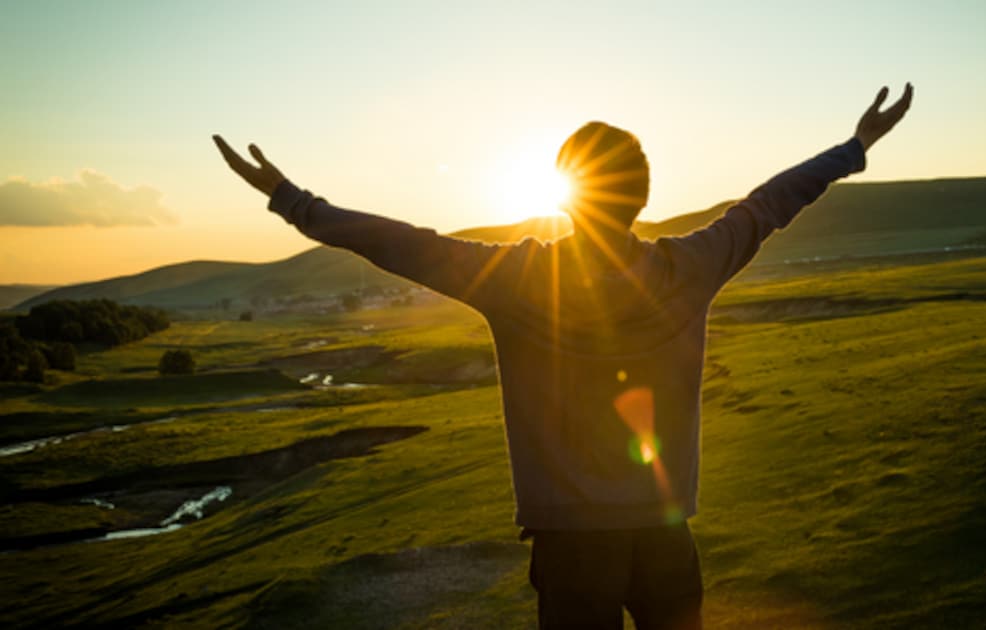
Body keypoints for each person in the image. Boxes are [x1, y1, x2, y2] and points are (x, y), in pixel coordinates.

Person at [214, 83, 912, 629]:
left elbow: (405, 244)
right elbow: (767, 205)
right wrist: (853, 147)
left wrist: (290, 198)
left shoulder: (520, 281)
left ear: (568, 197)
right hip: (667, 534)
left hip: (571, 544)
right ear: (641, 196)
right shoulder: (693, 266)